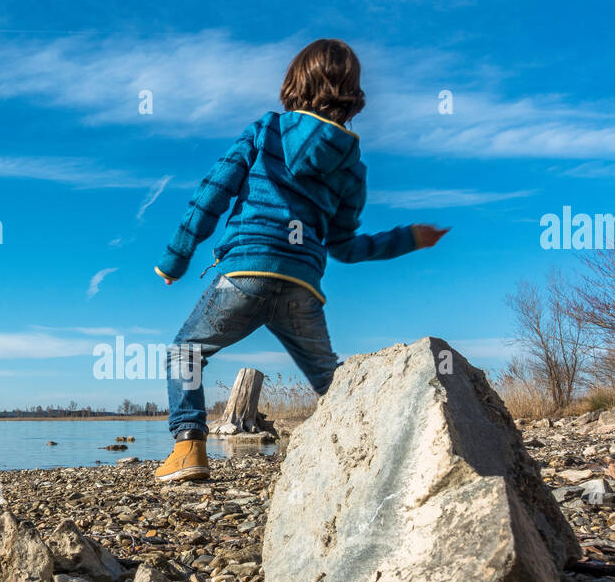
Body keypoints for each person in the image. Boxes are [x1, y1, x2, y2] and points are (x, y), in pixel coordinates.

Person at [153, 38, 449, 482]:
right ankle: (379, 459)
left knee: (185, 352)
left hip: (246, 273)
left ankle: (189, 449)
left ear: (295, 81)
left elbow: (211, 193)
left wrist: (174, 259)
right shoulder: (352, 167)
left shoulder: (266, 130)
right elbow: (346, 247)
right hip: (302, 287)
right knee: (330, 384)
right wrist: (409, 238)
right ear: (352, 93)